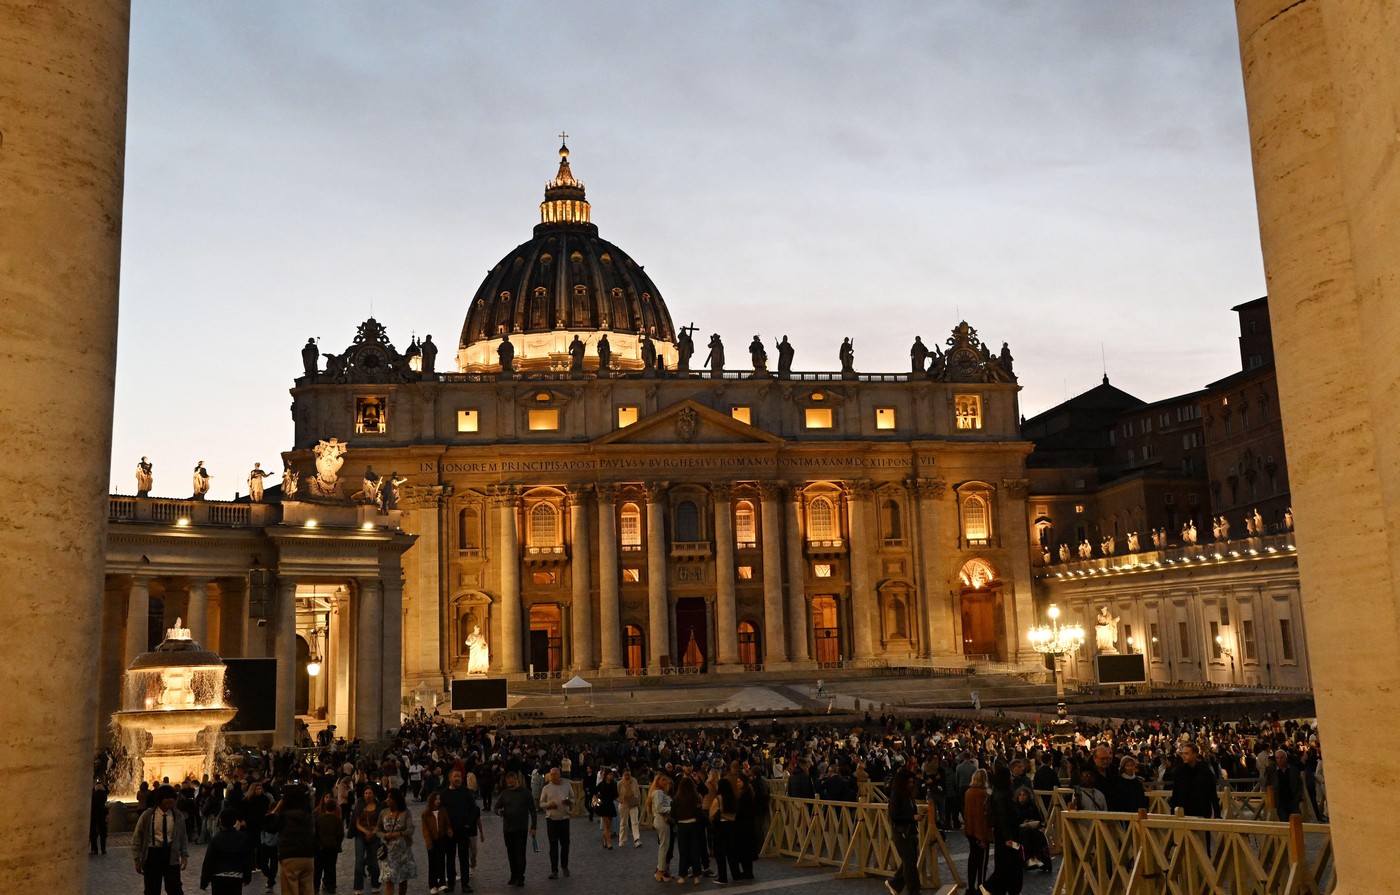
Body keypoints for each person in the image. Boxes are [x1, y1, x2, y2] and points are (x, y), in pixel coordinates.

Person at [133, 784, 189, 895]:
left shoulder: (177, 816)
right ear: (160, 799)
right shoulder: (148, 815)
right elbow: (137, 837)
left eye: (172, 798)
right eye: (167, 798)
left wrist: (184, 855)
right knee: (151, 890)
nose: (170, 801)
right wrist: (137, 859)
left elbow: (183, 837)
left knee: (175, 889)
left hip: (171, 854)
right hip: (153, 855)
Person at [979, 765, 1023, 895]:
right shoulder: (1000, 795)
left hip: (1006, 836)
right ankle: (989, 888)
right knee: (1008, 865)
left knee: (1008, 865)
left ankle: (1003, 889)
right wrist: (1008, 837)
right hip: (1007, 837)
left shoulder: (1000, 793)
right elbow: (1002, 818)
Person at [265, 784, 316, 895]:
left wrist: (275, 810)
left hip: (290, 856)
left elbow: (269, 826)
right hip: (308, 855)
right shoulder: (308, 814)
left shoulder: (284, 815)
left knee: (290, 890)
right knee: (307, 890)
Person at [440, 768, 483, 894]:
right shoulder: (444, 794)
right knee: (450, 858)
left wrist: (468, 823)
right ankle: (451, 883)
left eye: (459, 776)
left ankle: (465, 883)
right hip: (449, 831)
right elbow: (441, 812)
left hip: (464, 830)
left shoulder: (466, 792)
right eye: (455, 776)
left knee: (464, 858)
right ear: (450, 777)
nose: (457, 778)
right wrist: (446, 827)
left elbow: (473, 808)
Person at [493, 770, 538, 887]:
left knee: (520, 853)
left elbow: (533, 810)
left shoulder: (526, 793)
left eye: (512, 782)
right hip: (508, 829)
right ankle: (513, 875)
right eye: (509, 783)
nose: (511, 784)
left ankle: (521, 877)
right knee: (511, 853)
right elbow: (496, 807)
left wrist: (534, 826)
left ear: (517, 780)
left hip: (521, 828)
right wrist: (499, 812)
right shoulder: (504, 794)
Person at [884, 768, 921, 895]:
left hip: (910, 831)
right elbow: (894, 815)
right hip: (901, 832)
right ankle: (914, 890)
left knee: (910, 861)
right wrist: (912, 817)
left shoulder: (908, 795)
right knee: (910, 862)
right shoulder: (896, 795)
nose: (911, 785)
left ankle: (895, 883)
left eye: (912, 782)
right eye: (909, 783)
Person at [200, 808, 253, 895]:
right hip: (236, 876)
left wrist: (204, 881)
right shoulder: (242, 838)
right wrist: (247, 876)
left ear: (221, 821)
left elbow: (209, 861)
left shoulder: (216, 839)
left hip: (218, 877)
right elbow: (247, 858)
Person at [378, 789, 417, 895]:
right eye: (387, 797)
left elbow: (410, 829)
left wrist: (399, 834)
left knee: (403, 878)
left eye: (390, 798)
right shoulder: (383, 813)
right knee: (389, 878)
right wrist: (384, 835)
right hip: (388, 852)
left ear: (396, 800)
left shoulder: (405, 812)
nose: (387, 800)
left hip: (403, 851)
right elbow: (377, 830)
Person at [1168, 742, 1220, 819]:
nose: (1184, 756)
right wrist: (1173, 813)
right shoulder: (1180, 771)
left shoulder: (1205, 770)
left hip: (1202, 811)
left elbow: (1212, 793)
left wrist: (1217, 813)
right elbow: (1176, 793)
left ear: (1195, 754)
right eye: (1183, 754)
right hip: (1185, 812)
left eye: (1186, 754)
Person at [538, 766, 573, 878]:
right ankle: (554, 870)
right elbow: (541, 803)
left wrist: (569, 802)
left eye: (555, 774)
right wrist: (548, 805)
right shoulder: (546, 788)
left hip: (564, 819)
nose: (552, 776)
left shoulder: (567, 785)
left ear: (559, 775)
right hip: (551, 820)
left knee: (565, 844)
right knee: (553, 845)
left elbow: (573, 799)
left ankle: (564, 866)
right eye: (551, 774)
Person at [671, 774, 705, 884]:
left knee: (683, 851)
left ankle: (682, 875)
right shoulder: (695, 797)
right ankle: (696, 876)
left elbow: (673, 814)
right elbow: (699, 813)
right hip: (693, 824)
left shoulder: (677, 799)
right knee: (695, 851)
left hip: (682, 825)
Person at [963, 768, 992, 893]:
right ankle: (981, 886)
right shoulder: (983, 794)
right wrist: (984, 836)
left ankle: (971, 886)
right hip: (980, 832)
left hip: (970, 830)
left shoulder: (968, 792)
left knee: (972, 859)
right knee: (982, 863)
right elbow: (982, 816)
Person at [351, 786, 383, 894]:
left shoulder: (379, 807)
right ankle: (358, 887)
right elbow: (357, 822)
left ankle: (376, 884)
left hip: (375, 835)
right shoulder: (360, 806)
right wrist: (366, 832)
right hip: (361, 835)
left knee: (373, 860)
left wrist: (373, 832)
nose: (367, 795)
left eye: (369, 793)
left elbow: (380, 822)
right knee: (359, 860)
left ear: (373, 795)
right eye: (366, 793)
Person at [1012, 786, 1050, 873]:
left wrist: (1033, 821)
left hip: (1032, 829)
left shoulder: (1032, 807)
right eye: (1020, 795)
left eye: (1024, 795)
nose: (1022, 796)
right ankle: (1029, 859)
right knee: (1027, 836)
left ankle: (1042, 859)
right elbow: (1014, 821)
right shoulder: (1015, 808)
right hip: (1020, 831)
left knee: (1040, 836)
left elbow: (1039, 819)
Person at [422, 791, 453, 895]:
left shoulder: (443, 811)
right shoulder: (426, 813)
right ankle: (433, 884)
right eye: (436, 799)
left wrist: (449, 830)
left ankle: (442, 882)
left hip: (441, 839)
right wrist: (428, 841)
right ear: (432, 800)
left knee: (441, 861)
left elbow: (447, 823)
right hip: (431, 840)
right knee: (432, 863)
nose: (438, 801)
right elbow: (425, 829)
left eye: (439, 799)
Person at [312, 791, 343, 895]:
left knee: (318, 868)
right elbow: (341, 834)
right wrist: (337, 843)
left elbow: (315, 832)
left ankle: (315, 886)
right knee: (331, 867)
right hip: (332, 847)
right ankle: (331, 886)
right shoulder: (337, 820)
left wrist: (317, 844)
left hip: (320, 847)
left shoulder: (319, 818)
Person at [649, 773, 674, 882]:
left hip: (661, 820)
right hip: (661, 820)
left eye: (666, 780)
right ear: (658, 781)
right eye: (662, 780)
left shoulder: (661, 793)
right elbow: (659, 808)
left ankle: (661, 870)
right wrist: (671, 809)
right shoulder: (658, 792)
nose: (665, 782)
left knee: (664, 846)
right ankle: (661, 871)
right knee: (664, 846)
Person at [616, 767, 642, 847]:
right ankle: (621, 839)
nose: (628, 776)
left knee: (635, 821)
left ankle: (636, 839)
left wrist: (638, 800)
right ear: (623, 775)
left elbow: (637, 792)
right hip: (623, 804)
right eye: (626, 775)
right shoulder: (619, 783)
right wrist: (619, 800)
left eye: (629, 774)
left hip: (633, 803)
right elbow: (616, 793)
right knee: (623, 822)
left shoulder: (634, 781)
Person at [594, 766, 619, 848]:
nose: (611, 776)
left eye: (612, 775)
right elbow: (595, 792)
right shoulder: (602, 784)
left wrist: (620, 800)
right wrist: (596, 800)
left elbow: (616, 795)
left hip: (610, 805)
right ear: (606, 775)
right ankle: (609, 843)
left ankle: (605, 839)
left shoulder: (614, 784)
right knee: (607, 825)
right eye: (610, 775)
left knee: (608, 825)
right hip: (603, 805)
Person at [91, 776, 110, 855]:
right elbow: (107, 790)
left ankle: (94, 849)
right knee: (103, 833)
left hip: (94, 816)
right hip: (102, 815)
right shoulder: (104, 795)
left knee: (93, 833)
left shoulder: (93, 795)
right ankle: (103, 849)